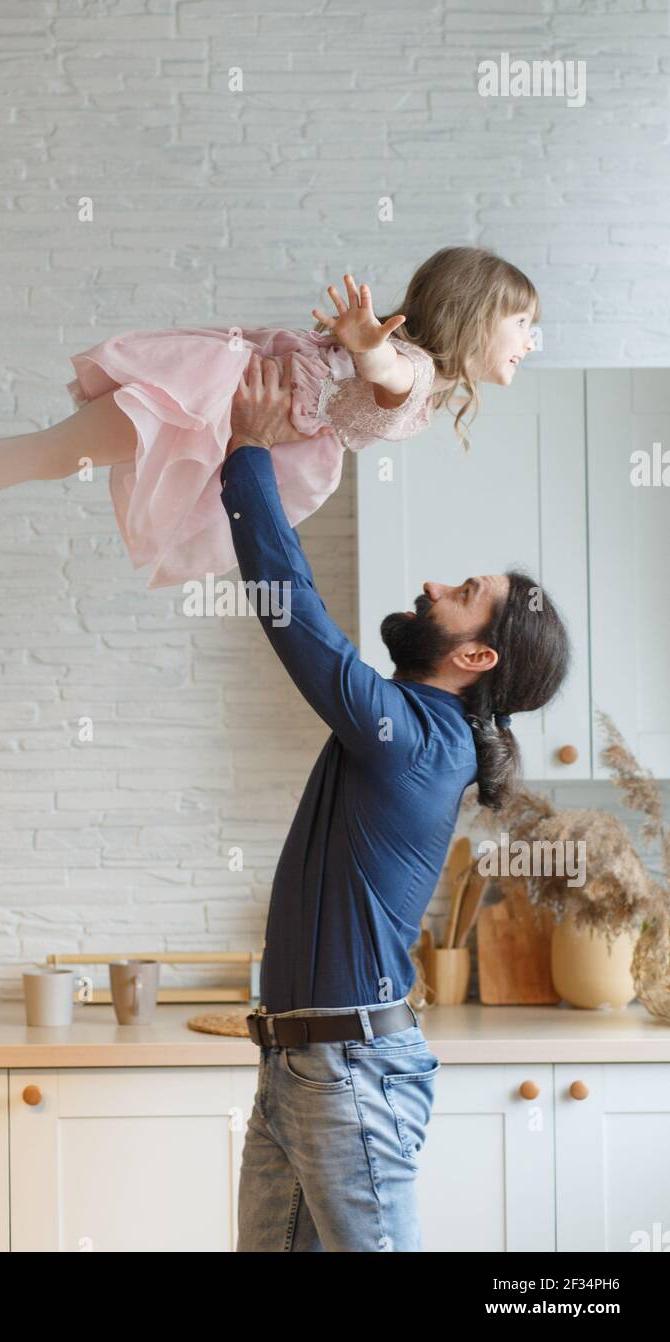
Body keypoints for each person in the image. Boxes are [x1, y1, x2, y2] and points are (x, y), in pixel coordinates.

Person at [222, 353, 570, 1253]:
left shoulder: (419, 741)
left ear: (477, 657)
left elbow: (292, 613)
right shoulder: (409, 724)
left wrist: (250, 456)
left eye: (462, 597)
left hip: (351, 1071)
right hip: (301, 1065)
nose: (432, 585)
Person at [0, 247, 537, 597]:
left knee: (49, 455)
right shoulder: (413, 372)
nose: (530, 341)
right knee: (48, 455)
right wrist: (372, 352)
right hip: (216, 398)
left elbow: (387, 380)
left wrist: (370, 354)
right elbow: (391, 378)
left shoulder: (423, 382)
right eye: (523, 323)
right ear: (474, 316)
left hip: (228, 407)